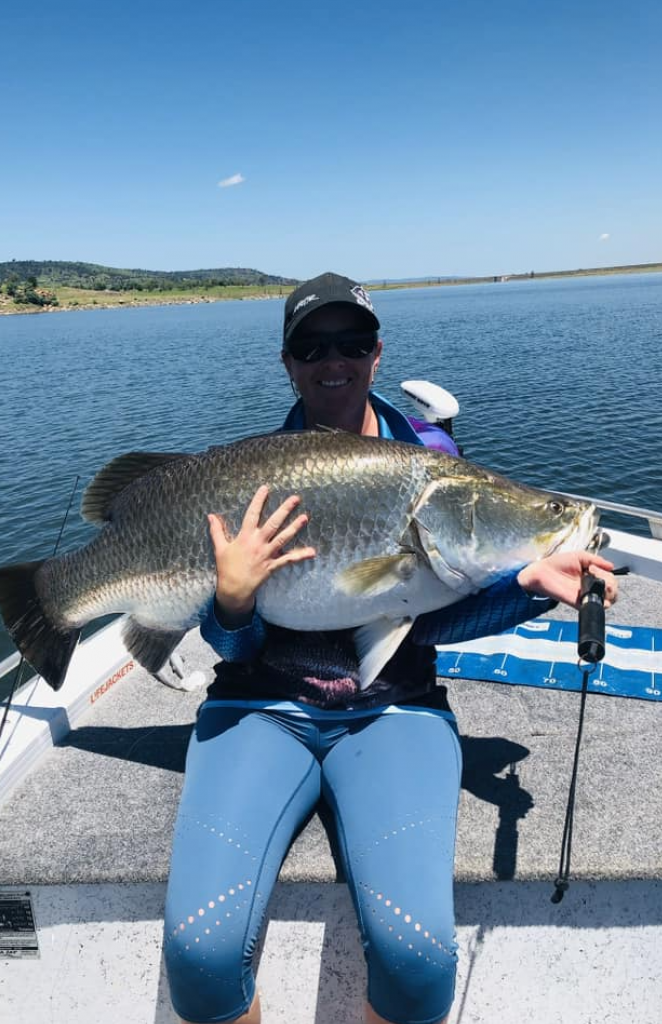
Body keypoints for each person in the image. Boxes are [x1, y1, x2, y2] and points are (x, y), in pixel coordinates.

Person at [162, 272, 618, 1024]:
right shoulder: (252, 481)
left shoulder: (430, 468)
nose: (331, 359)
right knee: (200, 952)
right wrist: (235, 597)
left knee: (418, 956)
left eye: (351, 341)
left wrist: (533, 579)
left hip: (394, 710)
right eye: (311, 345)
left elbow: (434, 617)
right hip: (258, 704)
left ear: (378, 353)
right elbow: (228, 641)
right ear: (287, 361)